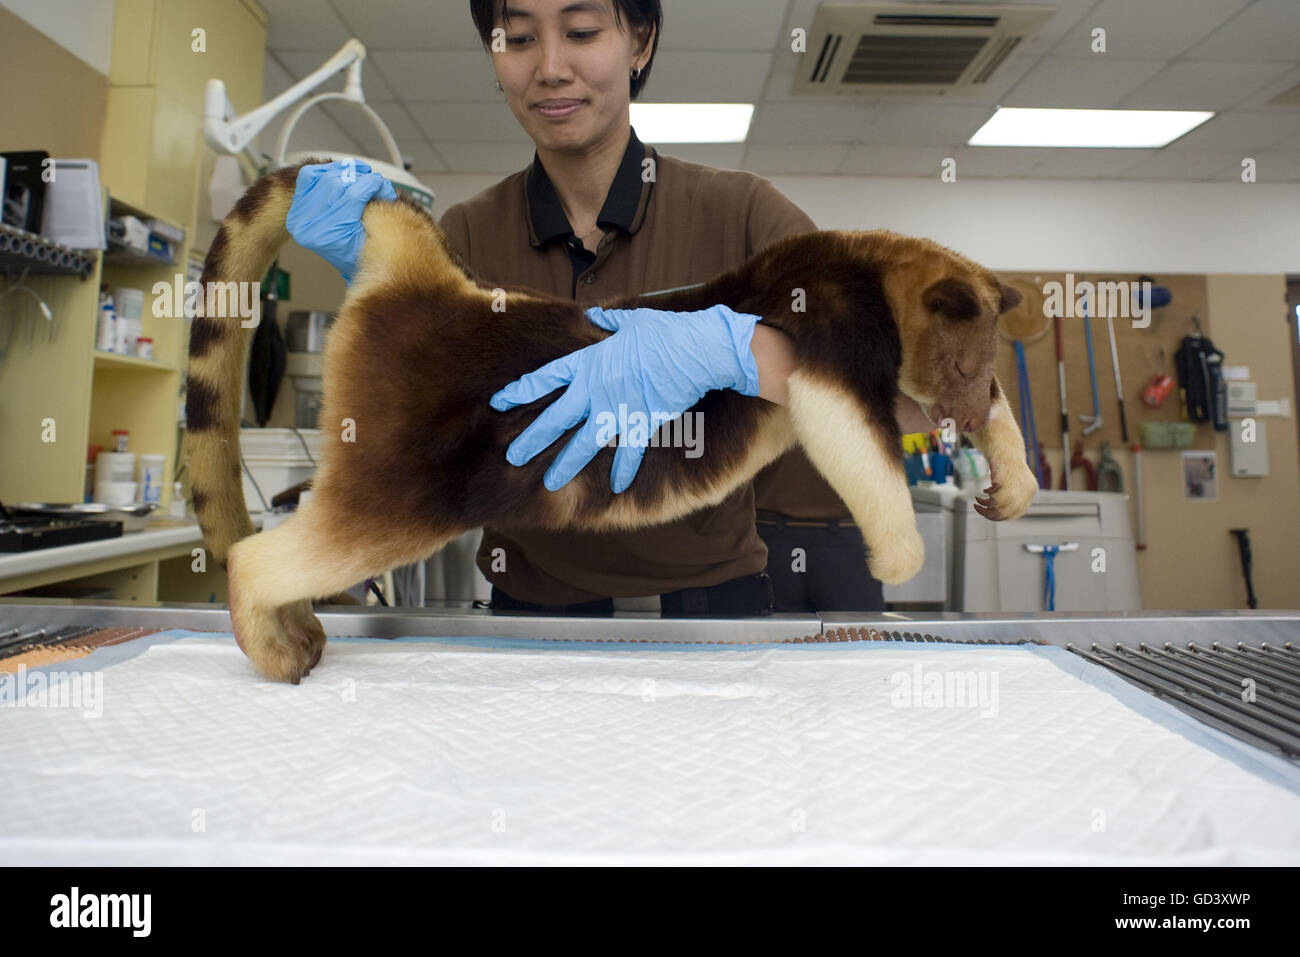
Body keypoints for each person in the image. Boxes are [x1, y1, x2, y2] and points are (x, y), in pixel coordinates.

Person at [286, 0, 931, 617]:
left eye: (583, 31)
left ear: (641, 42)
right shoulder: (463, 236)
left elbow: (915, 403)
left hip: (713, 615)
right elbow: (423, 429)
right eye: (518, 38)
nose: (549, 67)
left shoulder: (743, 215)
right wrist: (379, 296)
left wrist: (732, 352)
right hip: (530, 619)